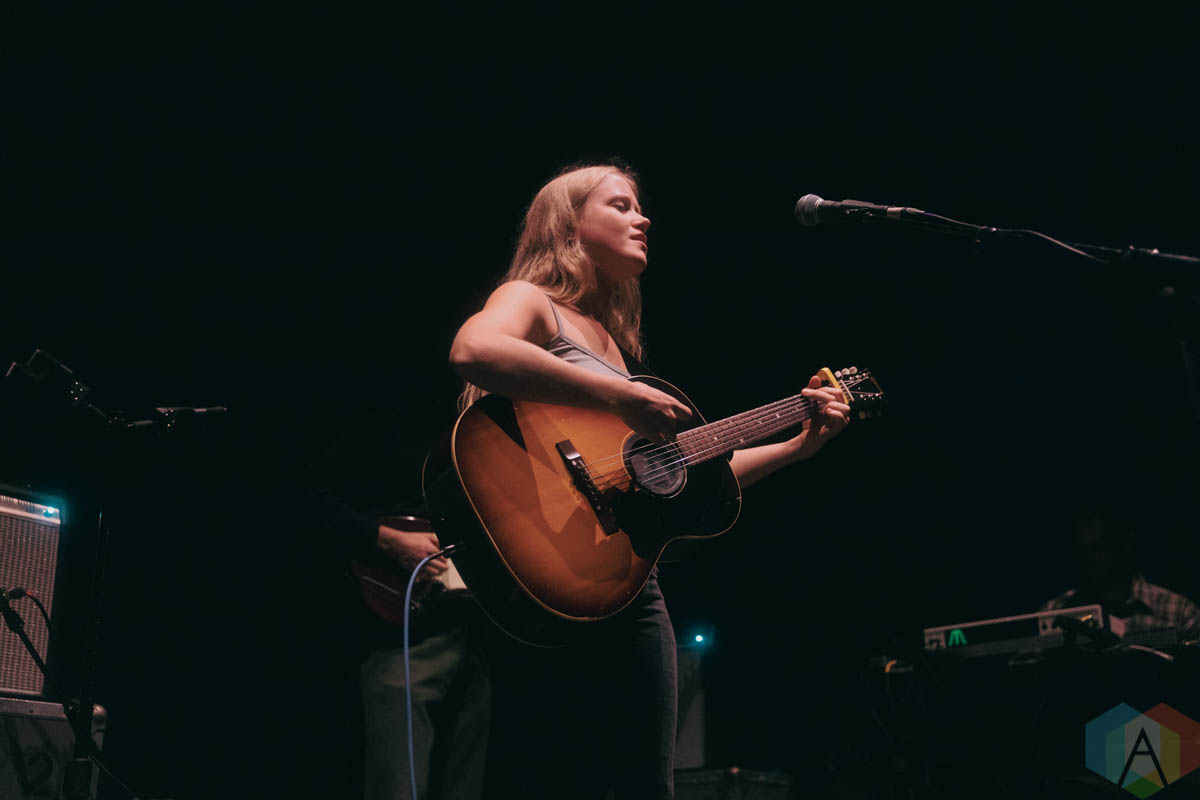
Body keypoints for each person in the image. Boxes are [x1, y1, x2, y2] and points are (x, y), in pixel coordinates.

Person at [447, 162, 851, 799]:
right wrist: (622, 396)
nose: (644, 218)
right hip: (546, 562)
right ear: (570, 225)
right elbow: (474, 351)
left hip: (630, 584)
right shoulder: (533, 305)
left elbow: (686, 470)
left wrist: (797, 447)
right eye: (621, 204)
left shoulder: (614, 344)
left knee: (646, 784)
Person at [299, 415, 491, 800]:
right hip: (403, 625)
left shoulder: (497, 425)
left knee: (466, 785)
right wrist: (384, 541)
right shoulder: (393, 419)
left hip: (482, 630)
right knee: (399, 785)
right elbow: (306, 499)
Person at [1041, 504, 1200, 638]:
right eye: (1082, 551)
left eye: (1098, 549)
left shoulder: (1178, 611)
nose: (1088, 560)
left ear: (1125, 544)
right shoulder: (1056, 611)